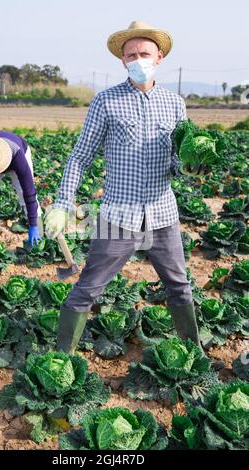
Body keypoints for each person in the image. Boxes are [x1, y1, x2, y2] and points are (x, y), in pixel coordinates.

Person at [45, 21, 211, 358]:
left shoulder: (174, 104)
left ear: (159, 57)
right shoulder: (106, 101)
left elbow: (176, 162)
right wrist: (64, 203)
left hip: (163, 213)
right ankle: (61, 357)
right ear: (122, 61)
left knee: (179, 286)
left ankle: (194, 357)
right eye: (131, 55)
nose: (138, 59)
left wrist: (190, 166)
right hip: (118, 215)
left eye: (144, 53)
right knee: (88, 288)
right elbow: (80, 156)